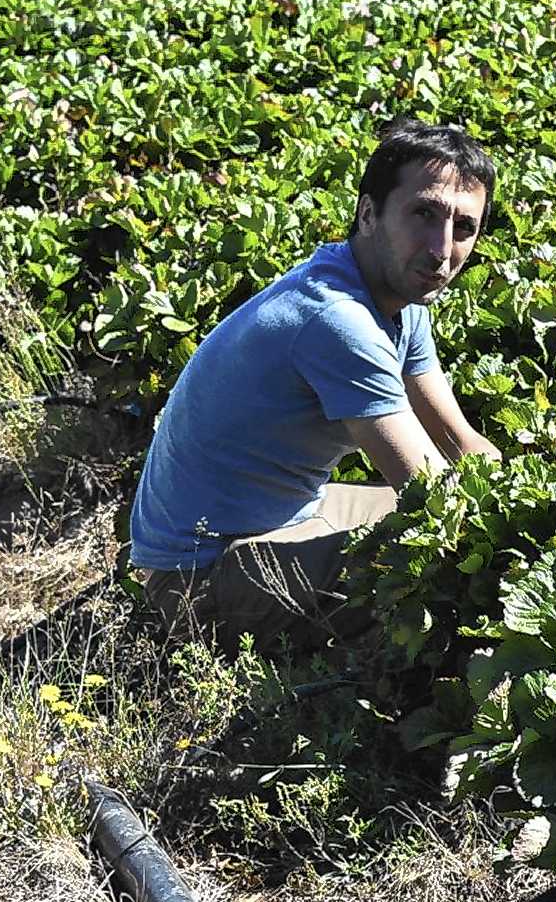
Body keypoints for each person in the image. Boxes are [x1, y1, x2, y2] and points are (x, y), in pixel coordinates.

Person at [126, 117, 503, 649]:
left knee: (448, 534)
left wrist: (539, 501)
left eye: (463, 227)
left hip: (288, 518)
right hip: (199, 579)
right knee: (435, 562)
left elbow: (461, 445)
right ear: (368, 214)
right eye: (423, 214)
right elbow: (434, 494)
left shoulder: (401, 300)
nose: (441, 250)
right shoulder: (337, 319)